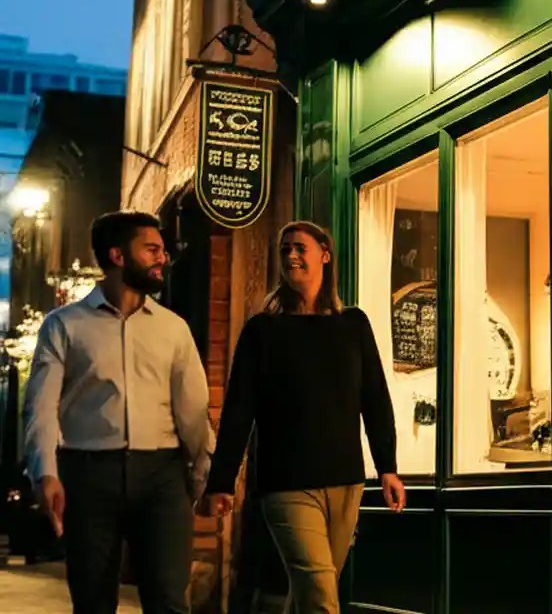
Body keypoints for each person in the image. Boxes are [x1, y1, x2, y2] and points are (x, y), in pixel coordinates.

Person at [201, 221, 405, 613]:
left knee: (311, 591)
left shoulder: (353, 324)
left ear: (325, 254)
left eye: (299, 248)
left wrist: (388, 468)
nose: (291, 256)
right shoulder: (263, 330)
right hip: (287, 484)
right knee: (320, 595)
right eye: (285, 250)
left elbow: (375, 398)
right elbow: (240, 409)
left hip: (346, 481)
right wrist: (221, 481)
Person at [23, 210, 213, 613]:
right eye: (152, 249)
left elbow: (193, 411)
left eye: (162, 250)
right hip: (88, 475)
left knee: (168, 601)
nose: (162, 258)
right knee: (93, 602)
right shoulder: (64, 326)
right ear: (117, 255)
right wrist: (46, 474)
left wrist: (205, 475)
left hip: (162, 477)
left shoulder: (173, 329)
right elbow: (40, 406)